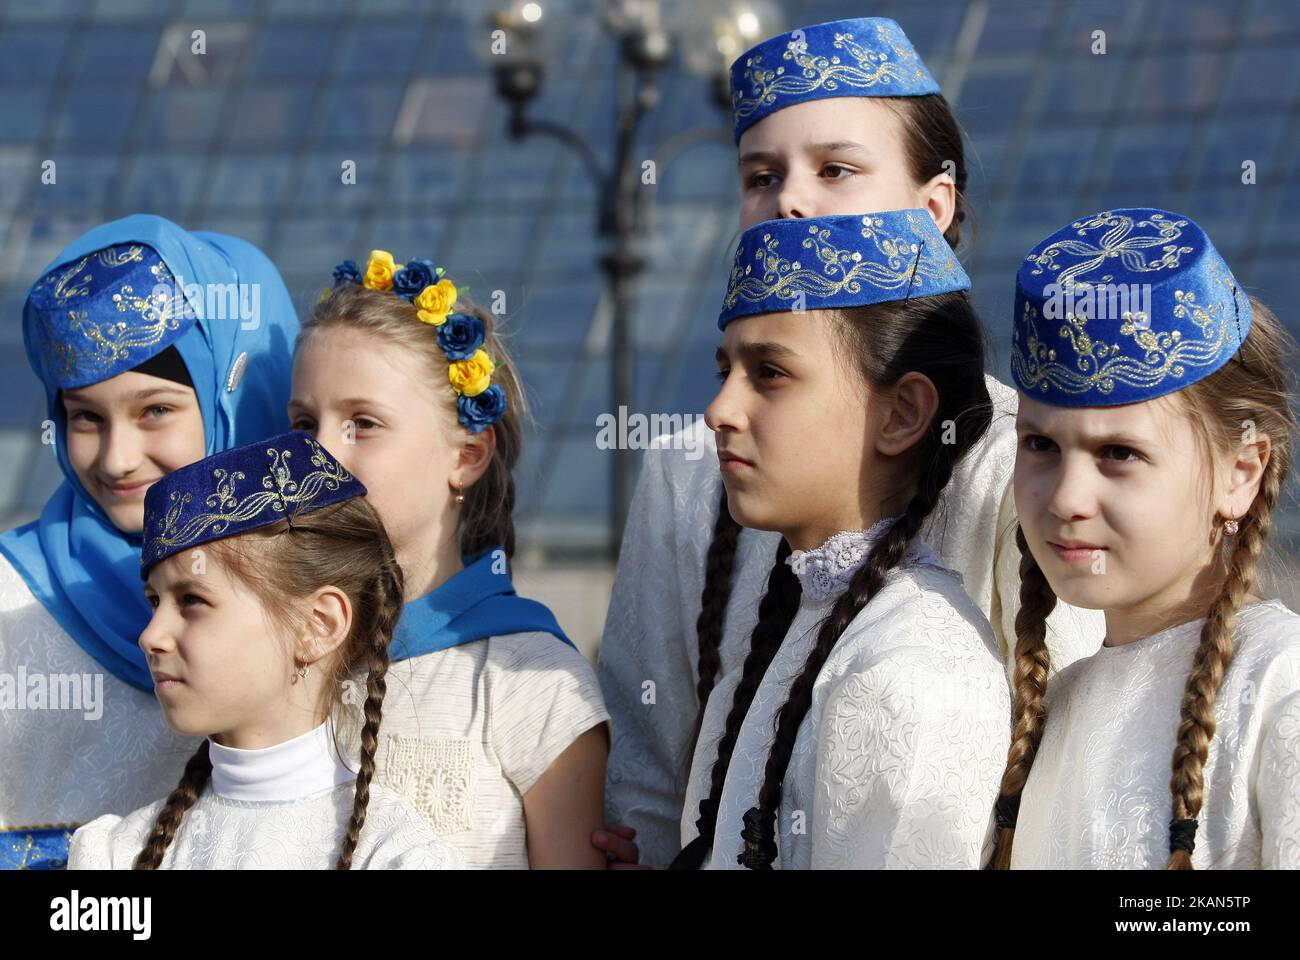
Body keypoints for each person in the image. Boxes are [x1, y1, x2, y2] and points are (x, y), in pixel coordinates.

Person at [987, 208, 1300, 869]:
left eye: (1120, 454)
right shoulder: (1051, 712)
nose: (1067, 499)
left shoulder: (1280, 683)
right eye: (1040, 444)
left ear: (1241, 473)